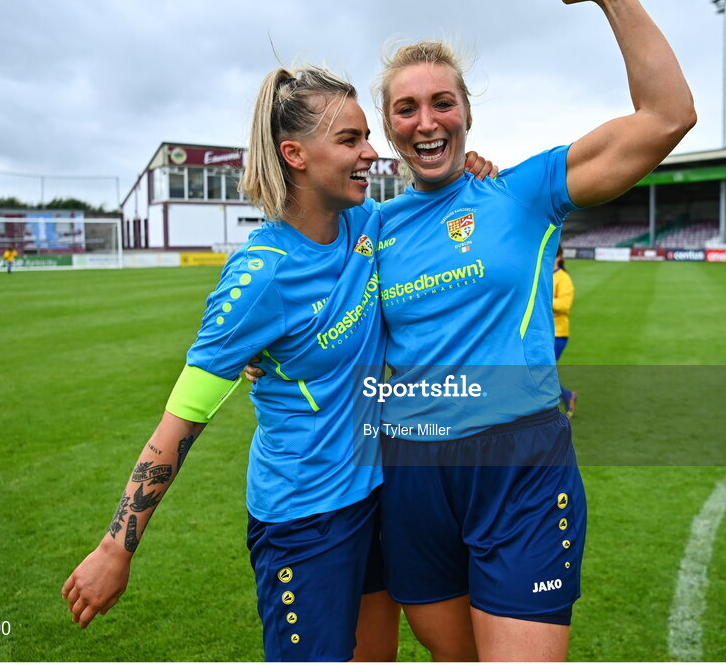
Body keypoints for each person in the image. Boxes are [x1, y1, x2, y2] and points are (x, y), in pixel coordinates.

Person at [62, 64, 496, 662]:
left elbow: (436, 207)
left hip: (378, 494)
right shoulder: (259, 277)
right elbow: (183, 418)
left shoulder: (366, 225)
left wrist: (472, 171)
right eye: (349, 141)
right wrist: (117, 548)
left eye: (367, 136)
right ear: (295, 154)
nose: (370, 153)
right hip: (304, 521)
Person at [370, 0, 695, 661]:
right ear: (388, 126)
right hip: (413, 475)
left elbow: (668, 115)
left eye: (442, 102)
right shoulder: (371, 230)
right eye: (407, 107)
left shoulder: (522, 192)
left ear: (466, 114)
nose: (427, 121)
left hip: (520, 466)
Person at [553, 245, 577, 417]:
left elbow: (564, 305)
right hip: (540, 332)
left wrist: (542, 300)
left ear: (559, 257)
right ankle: (567, 396)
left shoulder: (563, 278)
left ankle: (567, 396)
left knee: (540, 371)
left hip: (557, 334)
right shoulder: (542, 274)